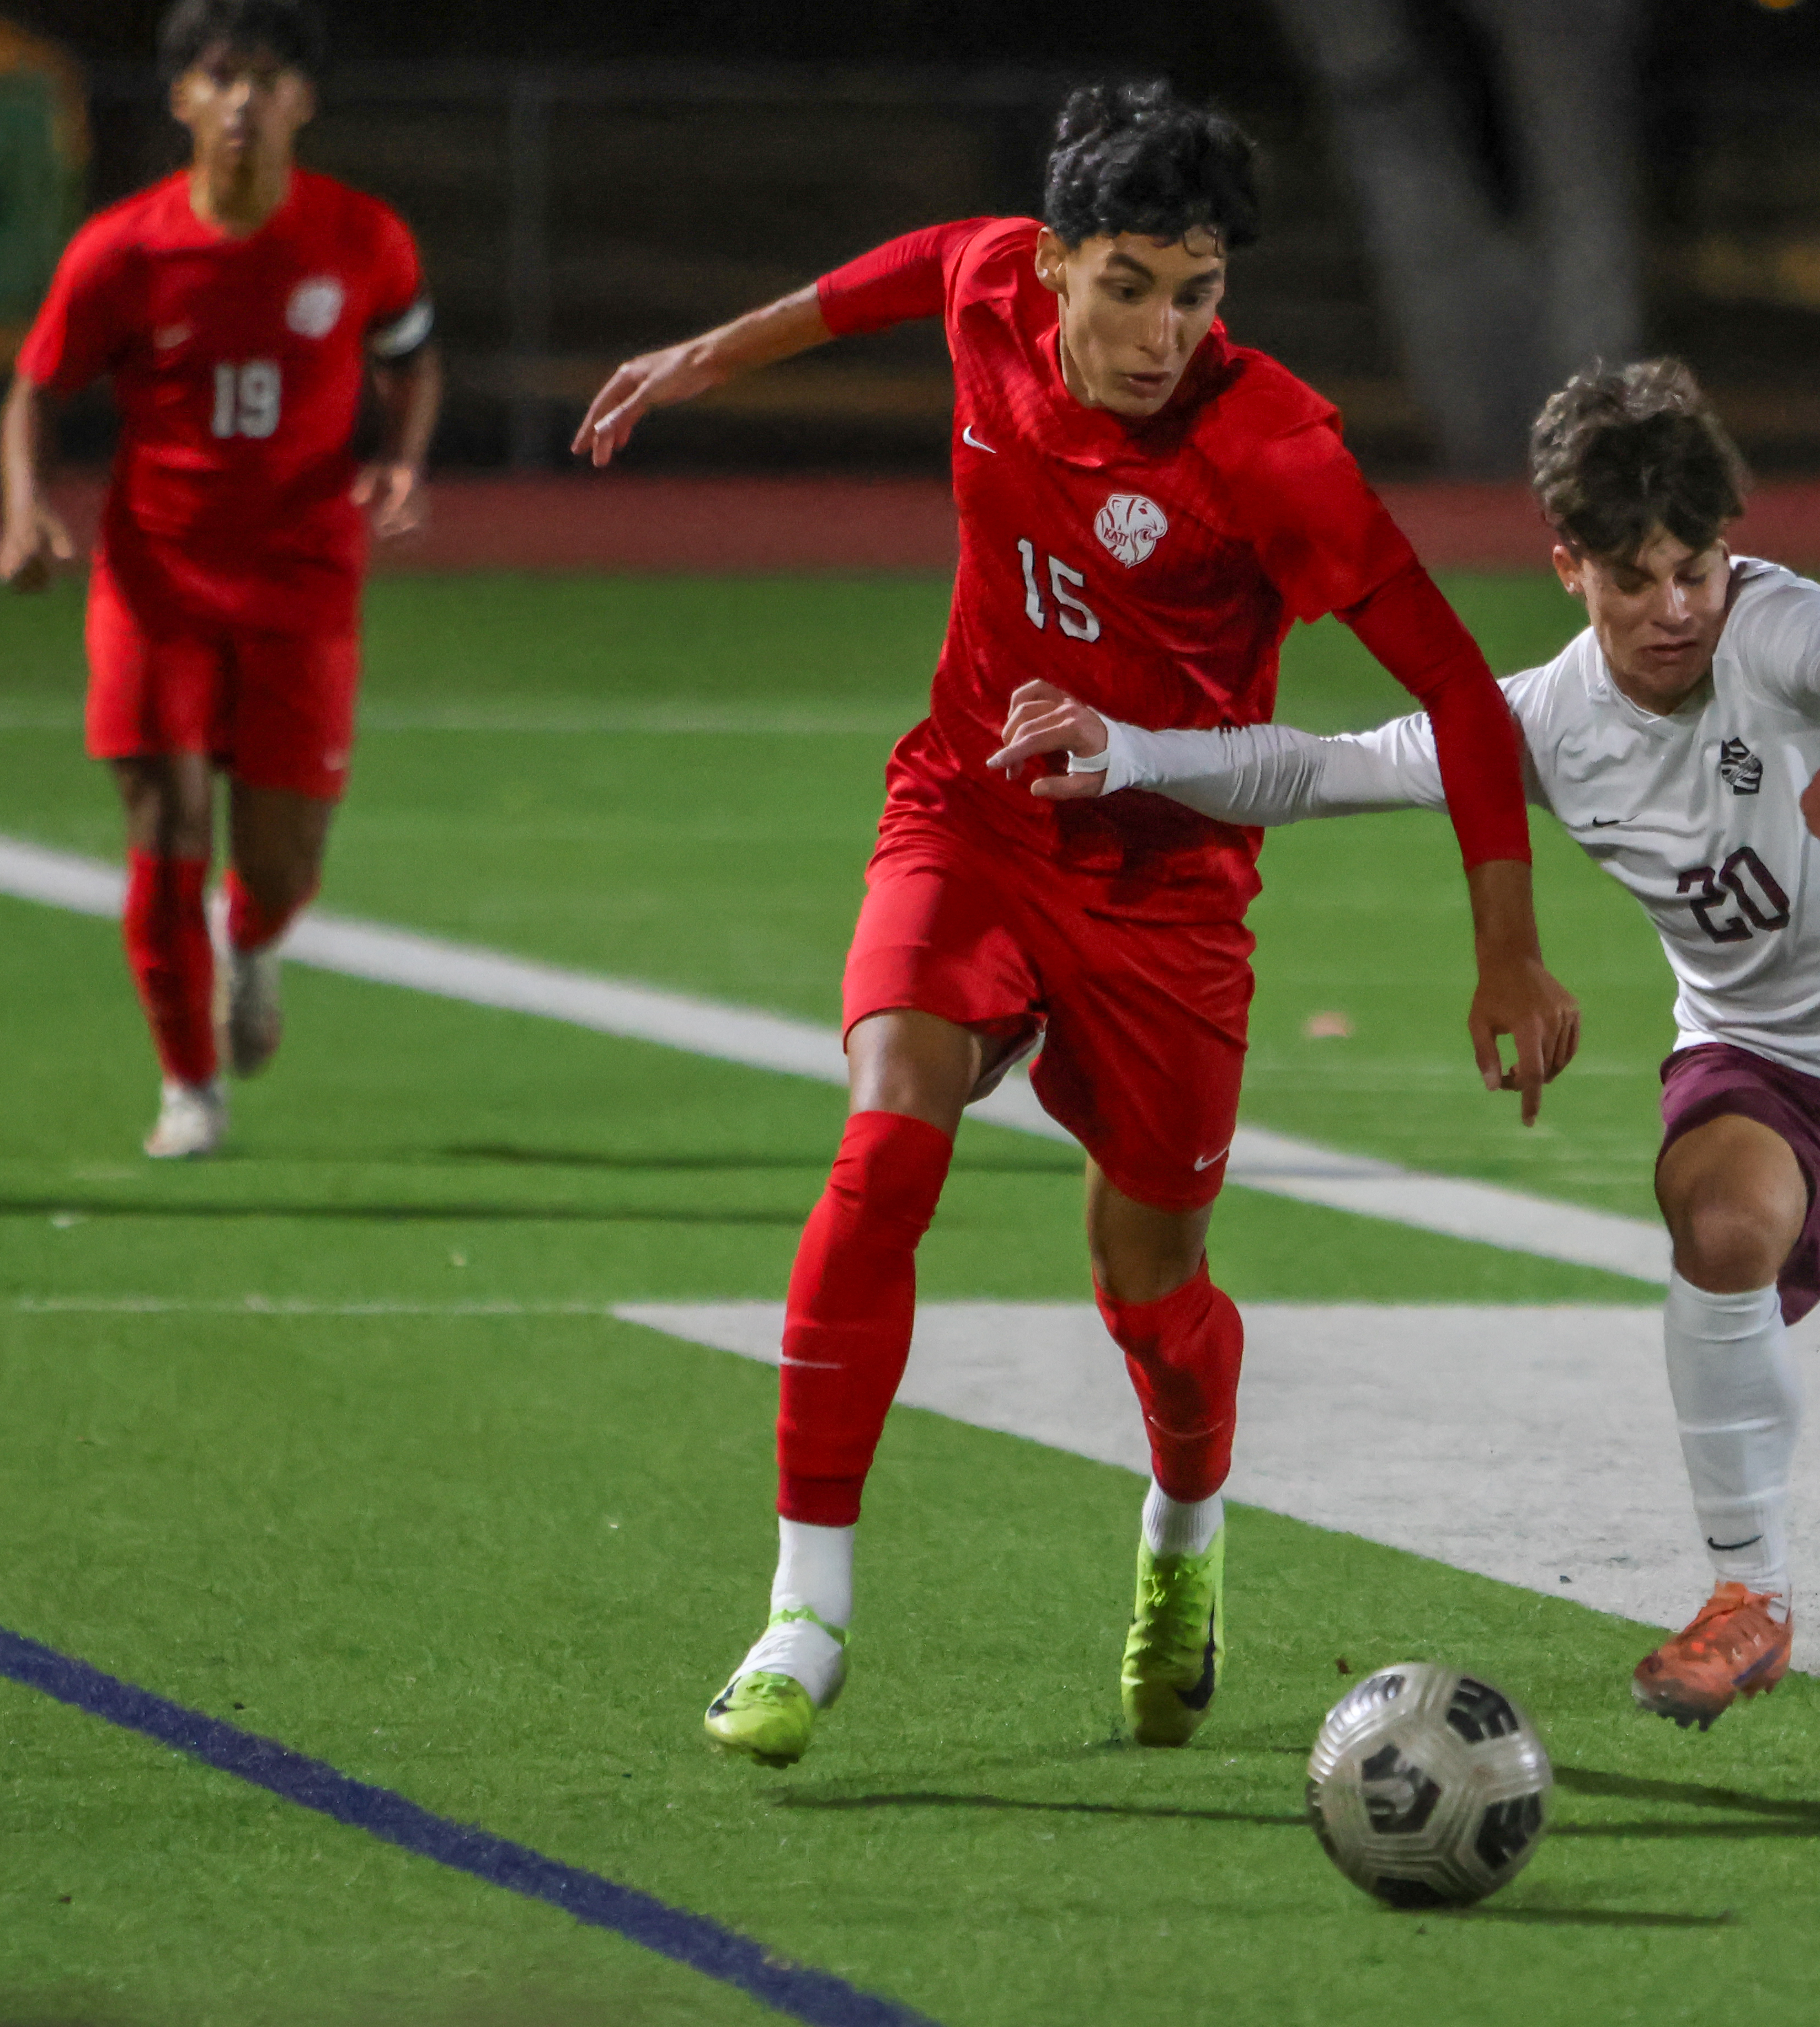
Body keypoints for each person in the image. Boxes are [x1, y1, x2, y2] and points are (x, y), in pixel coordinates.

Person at [990, 359, 1820, 1767]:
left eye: (1694, 568)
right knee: (1721, 1214)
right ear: (1566, 565)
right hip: (1764, 1069)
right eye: (1634, 578)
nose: (1674, 608)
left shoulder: (1768, 631)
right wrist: (1134, 749)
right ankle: (1746, 1589)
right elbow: (1328, 764)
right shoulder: (1544, 721)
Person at [573, 83, 1576, 1768]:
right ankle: (802, 1614)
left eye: (1197, 293)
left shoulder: (1274, 450)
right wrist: (705, 359)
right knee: (887, 1134)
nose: (1163, 331)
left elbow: (1466, 696)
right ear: (1051, 269)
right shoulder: (988, 291)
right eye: (1129, 285)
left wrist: (1507, 944)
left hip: (1167, 891)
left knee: (1152, 1290)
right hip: (968, 814)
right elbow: (894, 272)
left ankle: (1184, 1540)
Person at [0, 0, 441, 1160]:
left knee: (284, 862)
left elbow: (411, 356)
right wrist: (25, 505)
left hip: (304, 582)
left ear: (304, 101)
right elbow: (38, 389)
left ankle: (254, 941)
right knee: (167, 823)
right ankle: (189, 1085)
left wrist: (398, 459)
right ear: (183, 98)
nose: (243, 98)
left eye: (268, 77)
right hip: (158, 580)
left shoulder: (361, 238)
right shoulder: (123, 250)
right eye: (220, 76)